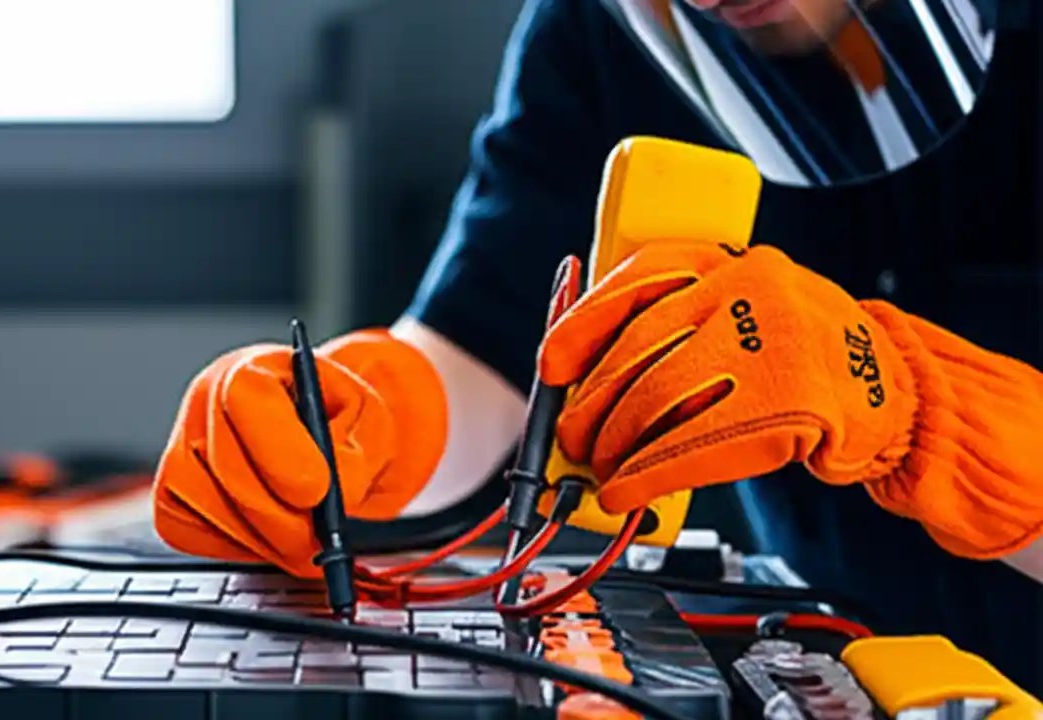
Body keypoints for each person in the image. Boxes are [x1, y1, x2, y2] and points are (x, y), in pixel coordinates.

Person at [152, 0, 1042, 692]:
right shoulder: (608, 27)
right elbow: (488, 352)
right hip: (829, 665)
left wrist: (931, 419)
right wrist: (372, 413)